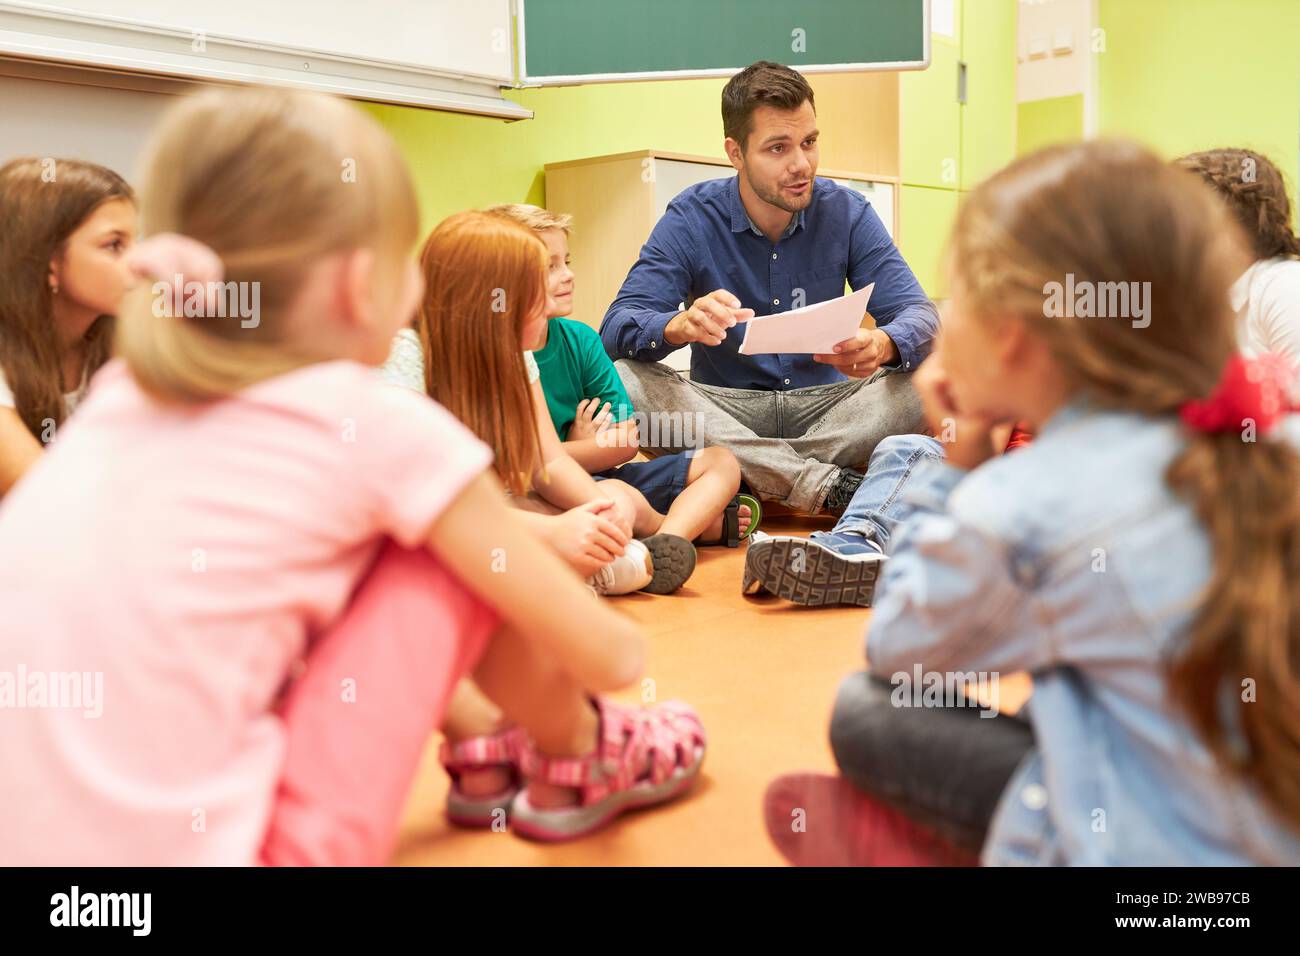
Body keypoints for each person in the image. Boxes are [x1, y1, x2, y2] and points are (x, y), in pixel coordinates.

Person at [0, 86, 706, 865]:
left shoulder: (123, 399)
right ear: (355, 285)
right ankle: (584, 757)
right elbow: (612, 659)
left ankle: (484, 745)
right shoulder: (372, 423)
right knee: (433, 559)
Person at [766, 140, 1300, 866]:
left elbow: (899, 645)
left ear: (1012, 336)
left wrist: (958, 466)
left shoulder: (1031, 502)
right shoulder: (1266, 441)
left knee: (868, 708)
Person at [602, 60, 938, 516]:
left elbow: (921, 316)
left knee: (932, 375)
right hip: (727, 412)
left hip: (832, 414)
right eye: (778, 148)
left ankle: (759, 474)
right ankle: (821, 484)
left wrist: (882, 343)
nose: (801, 164)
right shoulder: (692, 217)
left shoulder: (849, 213)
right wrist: (677, 326)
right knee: (624, 380)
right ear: (735, 152)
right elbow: (618, 326)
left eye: (809, 142)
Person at [0, 158, 136, 497]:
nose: (139, 261)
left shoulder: (123, 346)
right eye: (114, 245)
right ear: (48, 261)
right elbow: (47, 501)